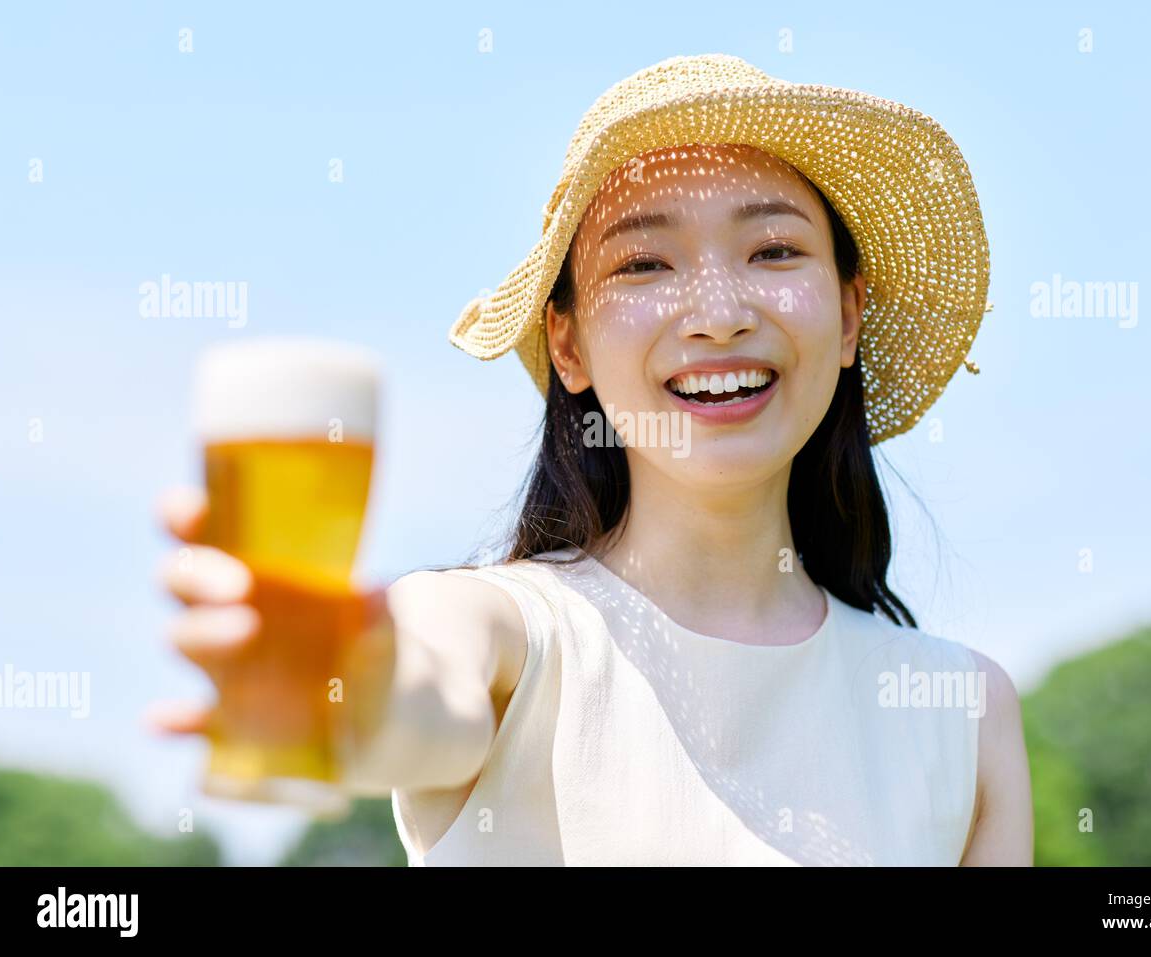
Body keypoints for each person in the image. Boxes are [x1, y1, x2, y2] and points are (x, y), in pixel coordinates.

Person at [151, 54, 1033, 866]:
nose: (717, 313)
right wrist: (345, 678)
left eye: (773, 250)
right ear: (565, 347)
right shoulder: (501, 634)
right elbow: (419, 692)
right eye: (645, 263)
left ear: (848, 315)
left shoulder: (964, 713)